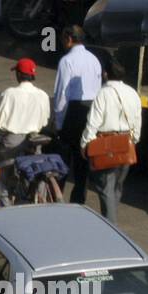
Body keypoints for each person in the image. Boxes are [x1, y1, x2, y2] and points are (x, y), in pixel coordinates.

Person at [81, 58, 143, 224]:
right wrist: (133, 140)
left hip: (106, 144)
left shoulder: (103, 93)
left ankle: (112, 227)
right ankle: (112, 221)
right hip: (127, 142)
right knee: (117, 187)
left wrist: (84, 144)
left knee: (106, 187)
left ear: (105, 74)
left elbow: (93, 122)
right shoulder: (132, 92)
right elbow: (137, 121)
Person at [53, 26, 103, 205]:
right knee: (83, 160)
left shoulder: (67, 61)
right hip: (90, 111)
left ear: (68, 39)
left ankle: (56, 197)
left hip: (72, 112)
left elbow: (61, 95)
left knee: (63, 159)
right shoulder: (94, 60)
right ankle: (78, 200)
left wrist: (59, 123)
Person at [0, 58, 51, 153]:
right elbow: (44, 121)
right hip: (34, 142)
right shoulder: (43, 95)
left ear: (19, 74)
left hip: (12, 144)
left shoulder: (9, 94)